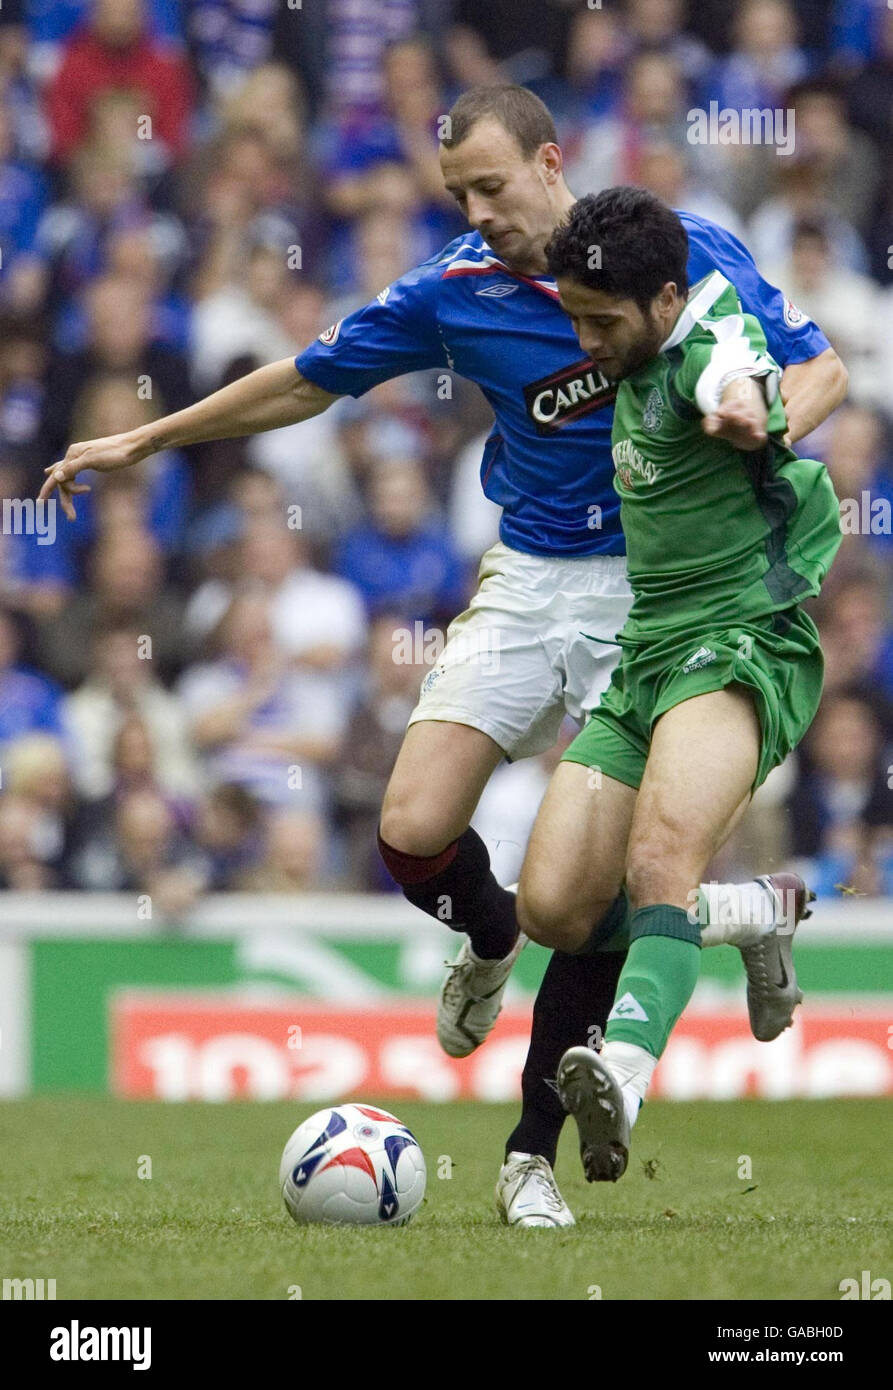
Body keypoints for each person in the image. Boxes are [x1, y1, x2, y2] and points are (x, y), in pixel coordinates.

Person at [39, 85, 849, 1227]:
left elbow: (814, 364)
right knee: (411, 827)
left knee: (603, 886)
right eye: (455, 194)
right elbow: (304, 381)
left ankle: (529, 1156)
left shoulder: (680, 255)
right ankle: (488, 929)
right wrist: (147, 435)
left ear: (549, 159)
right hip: (527, 581)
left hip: (658, 589)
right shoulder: (452, 288)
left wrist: (766, 419)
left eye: (489, 186)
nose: (476, 212)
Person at [516, 185, 841, 1184]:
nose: (584, 339)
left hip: (740, 639)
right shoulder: (625, 347)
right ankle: (746, 914)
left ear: (663, 299)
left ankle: (623, 1065)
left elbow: (747, 374)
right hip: (645, 650)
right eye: (572, 315)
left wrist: (748, 408)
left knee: (659, 860)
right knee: (553, 906)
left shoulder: (707, 337)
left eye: (601, 322)